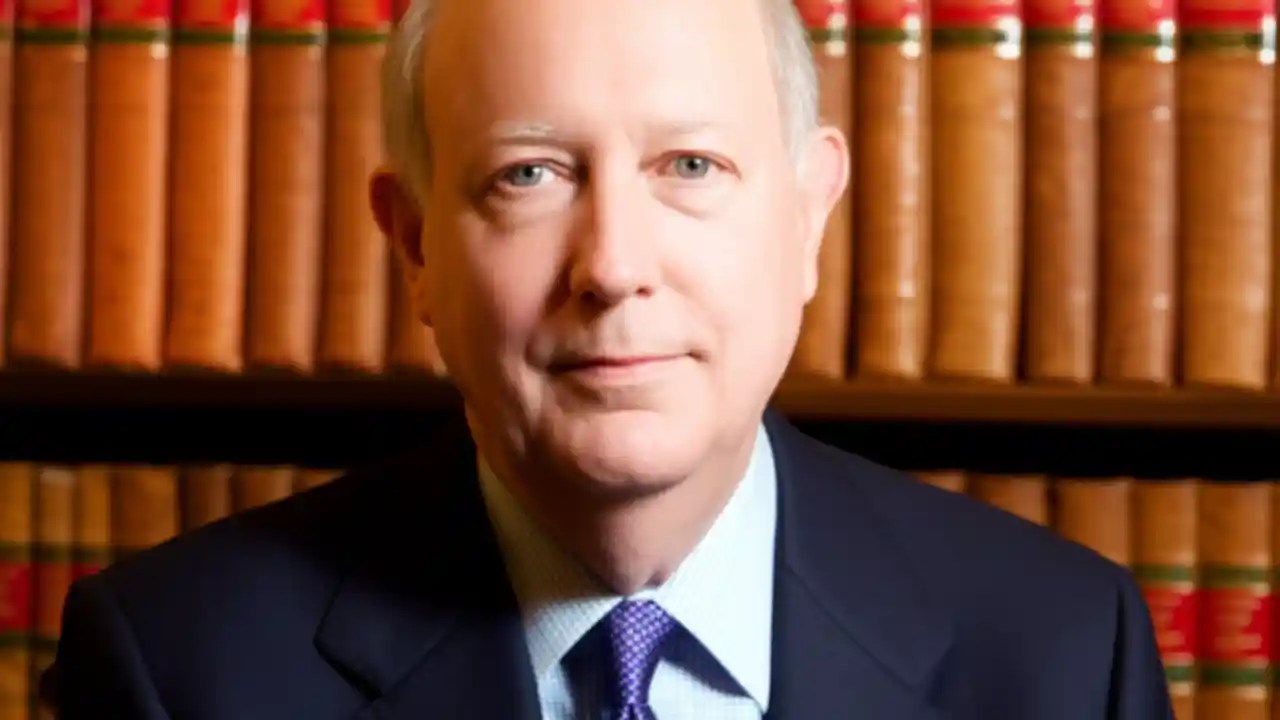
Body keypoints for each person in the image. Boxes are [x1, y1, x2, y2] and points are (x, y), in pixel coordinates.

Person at [44, 0, 1173, 717]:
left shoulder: (1065, 653)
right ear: (416, 246)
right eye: (529, 175)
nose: (613, 265)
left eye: (688, 165)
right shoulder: (174, 668)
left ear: (807, 219)